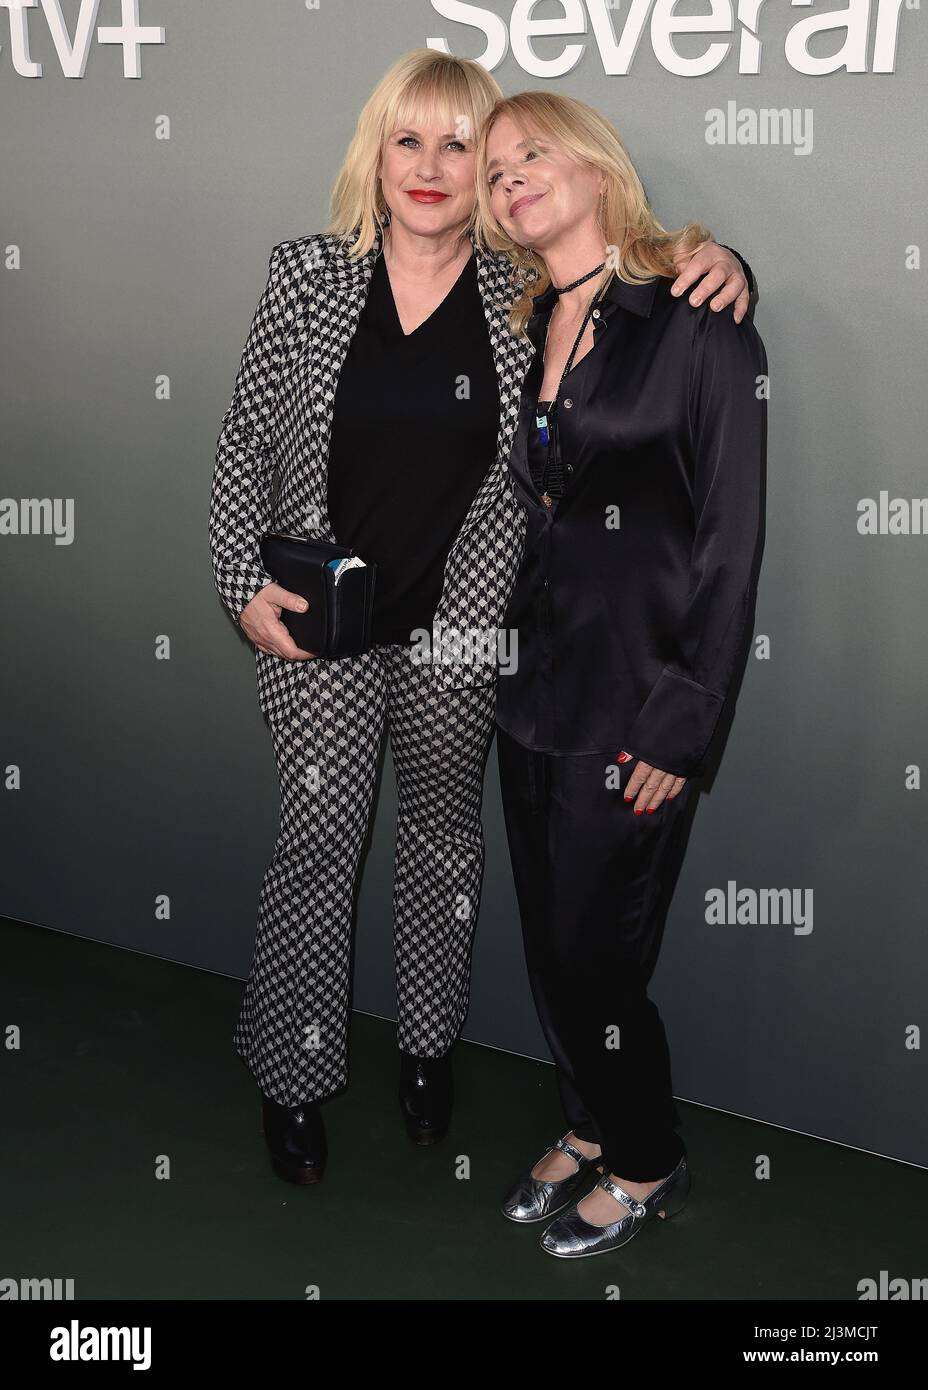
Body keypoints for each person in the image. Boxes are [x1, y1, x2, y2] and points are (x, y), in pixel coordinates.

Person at [208, 49, 754, 1186]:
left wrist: (718, 256)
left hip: (464, 636)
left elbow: (636, 295)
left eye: (463, 145)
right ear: (377, 151)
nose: (434, 165)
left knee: (445, 847)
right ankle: (294, 1071)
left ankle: (424, 1053)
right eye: (410, 139)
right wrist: (236, 577)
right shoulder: (308, 273)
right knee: (316, 847)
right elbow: (243, 439)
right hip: (319, 626)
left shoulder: (525, 304)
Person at [476, 91, 767, 1256]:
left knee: (601, 952)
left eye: (530, 156)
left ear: (596, 169)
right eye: (495, 173)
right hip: (534, 689)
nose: (507, 181)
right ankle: (591, 1125)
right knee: (551, 941)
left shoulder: (702, 321)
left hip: (641, 703)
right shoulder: (534, 316)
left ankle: (645, 1158)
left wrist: (684, 722)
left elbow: (730, 540)